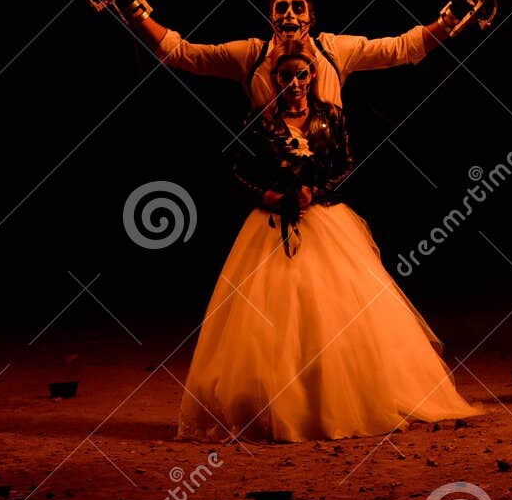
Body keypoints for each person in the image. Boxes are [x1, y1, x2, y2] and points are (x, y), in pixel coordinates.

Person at [176, 43, 482, 443]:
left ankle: (337, 398)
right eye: (286, 77)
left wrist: (315, 190)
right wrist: (266, 194)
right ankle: (274, 405)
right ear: (276, 80)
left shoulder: (330, 117)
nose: (295, 84)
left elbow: (346, 164)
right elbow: (238, 168)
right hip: (270, 225)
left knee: (337, 309)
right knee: (270, 316)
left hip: (322, 220)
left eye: (302, 76)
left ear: (313, 77)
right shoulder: (260, 122)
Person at [125, 0, 458, 110]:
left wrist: (449, 21)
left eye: (298, 8)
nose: (289, 16)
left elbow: (400, 48)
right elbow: (183, 54)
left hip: (325, 189)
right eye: (281, 8)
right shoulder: (251, 55)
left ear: (310, 17)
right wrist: (133, 8)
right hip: (270, 191)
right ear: (271, 17)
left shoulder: (333, 50)